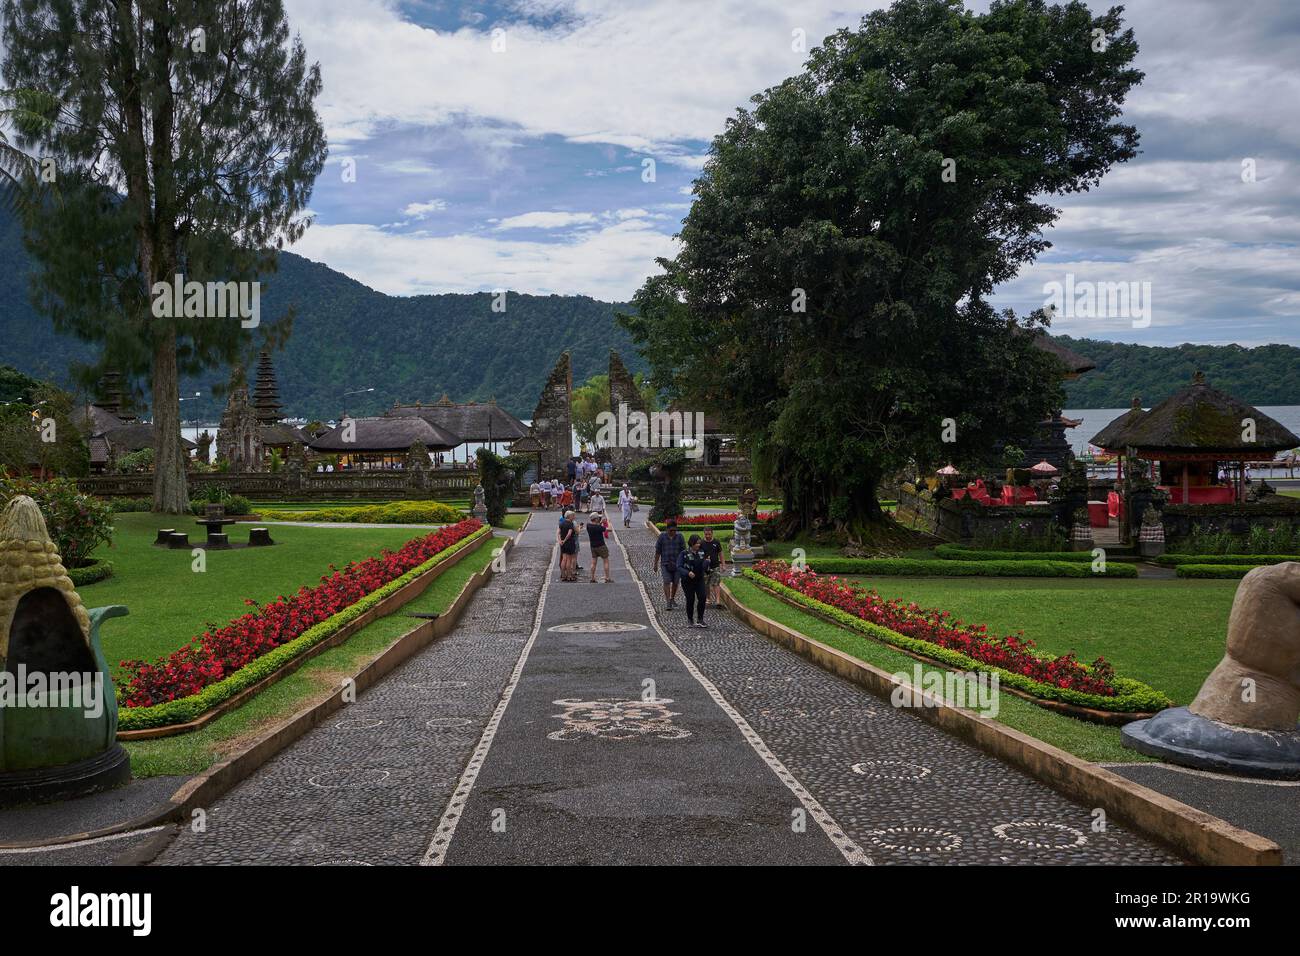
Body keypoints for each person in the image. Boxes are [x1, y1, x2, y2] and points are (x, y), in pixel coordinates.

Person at [677, 534, 710, 628]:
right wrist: (687, 573)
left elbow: (704, 565)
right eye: (696, 543)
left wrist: (707, 563)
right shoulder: (684, 553)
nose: (698, 545)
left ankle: (700, 619)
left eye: (699, 543)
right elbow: (679, 566)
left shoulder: (702, 552)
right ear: (692, 543)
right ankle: (690, 619)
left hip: (699, 579)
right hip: (688, 581)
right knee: (690, 599)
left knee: (702, 597)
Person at [653, 517, 687, 609]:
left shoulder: (680, 537)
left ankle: (672, 598)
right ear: (667, 529)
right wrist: (655, 564)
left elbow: (684, 551)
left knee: (676, 582)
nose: (673, 532)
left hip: (677, 564)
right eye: (671, 530)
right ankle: (668, 601)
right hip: (665, 563)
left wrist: (685, 564)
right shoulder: (662, 537)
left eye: (675, 530)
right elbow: (658, 551)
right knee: (666, 581)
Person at [700, 526, 726, 607]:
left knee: (716, 583)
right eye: (706, 534)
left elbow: (721, 554)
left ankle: (717, 600)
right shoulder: (701, 543)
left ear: (712, 533)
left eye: (709, 534)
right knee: (706, 584)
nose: (708, 536)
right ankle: (708, 598)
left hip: (715, 566)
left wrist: (723, 565)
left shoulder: (716, 542)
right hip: (705, 567)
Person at [586, 512, 612, 583]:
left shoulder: (588, 526)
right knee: (606, 561)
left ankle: (592, 577)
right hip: (601, 545)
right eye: (598, 518)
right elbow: (610, 529)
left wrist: (600, 522)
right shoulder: (599, 527)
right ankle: (607, 577)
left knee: (594, 562)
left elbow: (597, 527)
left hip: (593, 546)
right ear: (596, 519)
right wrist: (608, 522)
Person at [558, 510, 578, 581]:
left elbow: (558, 533)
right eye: (573, 516)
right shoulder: (570, 524)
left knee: (564, 559)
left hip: (563, 544)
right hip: (569, 543)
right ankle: (569, 575)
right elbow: (569, 534)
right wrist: (565, 540)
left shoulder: (561, 523)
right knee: (569, 560)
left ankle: (563, 575)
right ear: (569, 516)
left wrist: (560, 541)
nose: (574, 517)